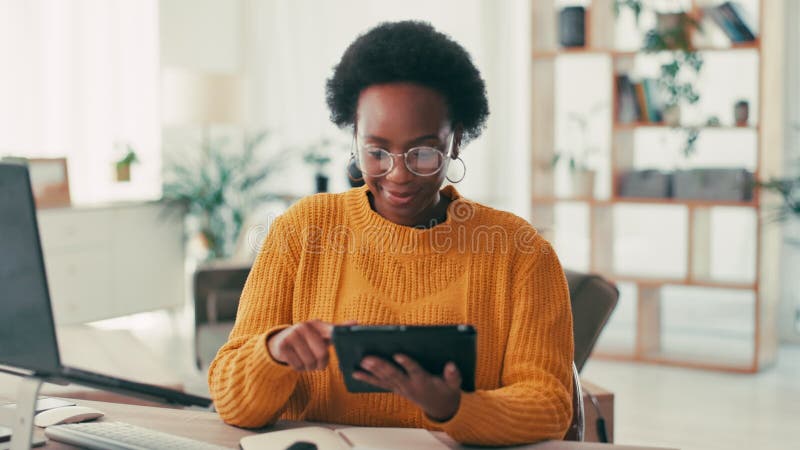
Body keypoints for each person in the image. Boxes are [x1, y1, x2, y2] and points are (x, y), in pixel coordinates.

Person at [208, 21, 574, 446]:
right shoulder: (301, 230)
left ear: (455, 140)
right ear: (354, 137)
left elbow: (550, 407)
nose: (398, 174)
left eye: (422, 152)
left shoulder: (520, 251)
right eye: (376, 151)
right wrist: (273, 354)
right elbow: (231, 401)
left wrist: (453, 408)